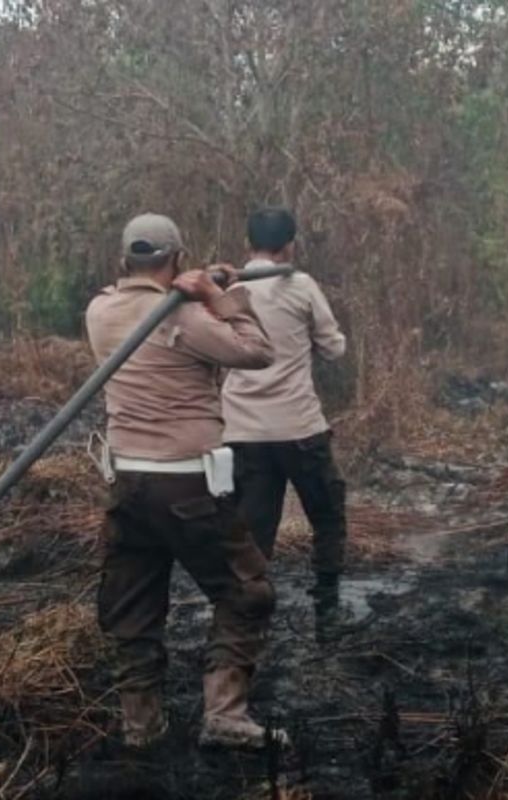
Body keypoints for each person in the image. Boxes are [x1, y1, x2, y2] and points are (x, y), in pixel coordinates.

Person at [86, 213, 287, 750]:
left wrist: (197, 292)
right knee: (247, 593)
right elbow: (257, 352)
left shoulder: (99, 310)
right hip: (187, 485)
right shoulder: (182, 316)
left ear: (124, 259)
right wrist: (222, 298)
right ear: (176, 259)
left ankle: (141, 725)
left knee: (133, 606)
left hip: (127, 483)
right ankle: (225, 715)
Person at [221, 207, 348, 633]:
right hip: (298, 427)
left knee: (254, 529)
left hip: (243, 428)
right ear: (290, 245)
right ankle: (327, 605)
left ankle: (250, 613)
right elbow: (334, 349)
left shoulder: (229, 290)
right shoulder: (301, 285)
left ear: (248, 244)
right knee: (327, 514)